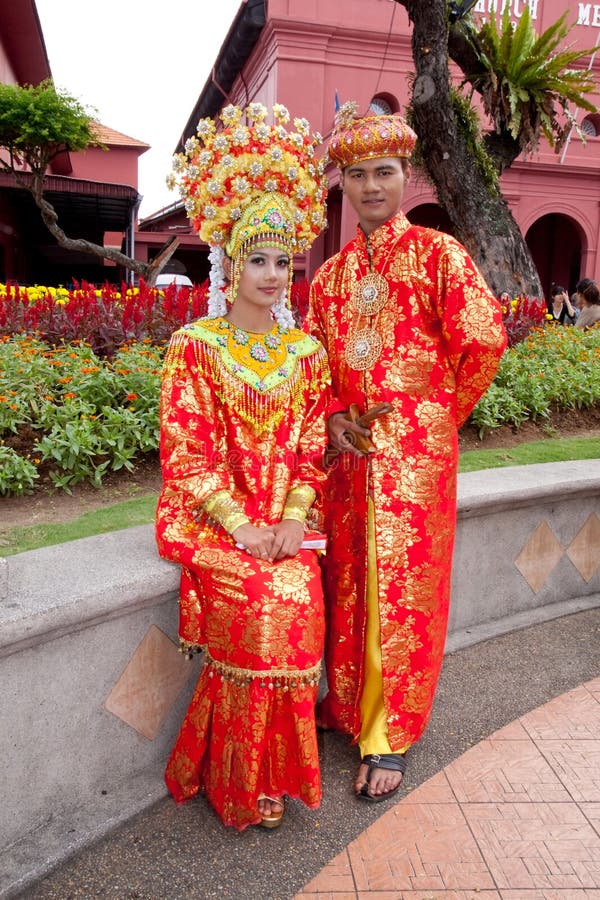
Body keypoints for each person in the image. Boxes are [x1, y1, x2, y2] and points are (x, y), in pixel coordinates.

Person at [305, 101, 507, 802]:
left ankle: (388, 733)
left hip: (413, 460)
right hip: (349, 459)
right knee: (350, 582)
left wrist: (433, 420)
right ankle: (347, 706)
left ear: (406, 176)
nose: (370, 187)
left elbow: (483, 340)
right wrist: (330, 420)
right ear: (344, 183)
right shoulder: (330, 279)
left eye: (383, 172)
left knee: (401, 591)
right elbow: (317, 368)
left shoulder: (436, 254)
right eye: (357, 174)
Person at [156, 102, 331, 830]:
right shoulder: (194, 347)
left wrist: (289, 519)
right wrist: (241, 526)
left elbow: (310, 448)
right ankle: (235, 777)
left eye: (282, 259)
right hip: (208, 519)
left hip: (281, 524)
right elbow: (186, 454)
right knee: (266, 604)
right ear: (229, 261)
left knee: (300, 593)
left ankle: (272, 771)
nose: (270, 272)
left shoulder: (306, 355)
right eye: (256, 257)